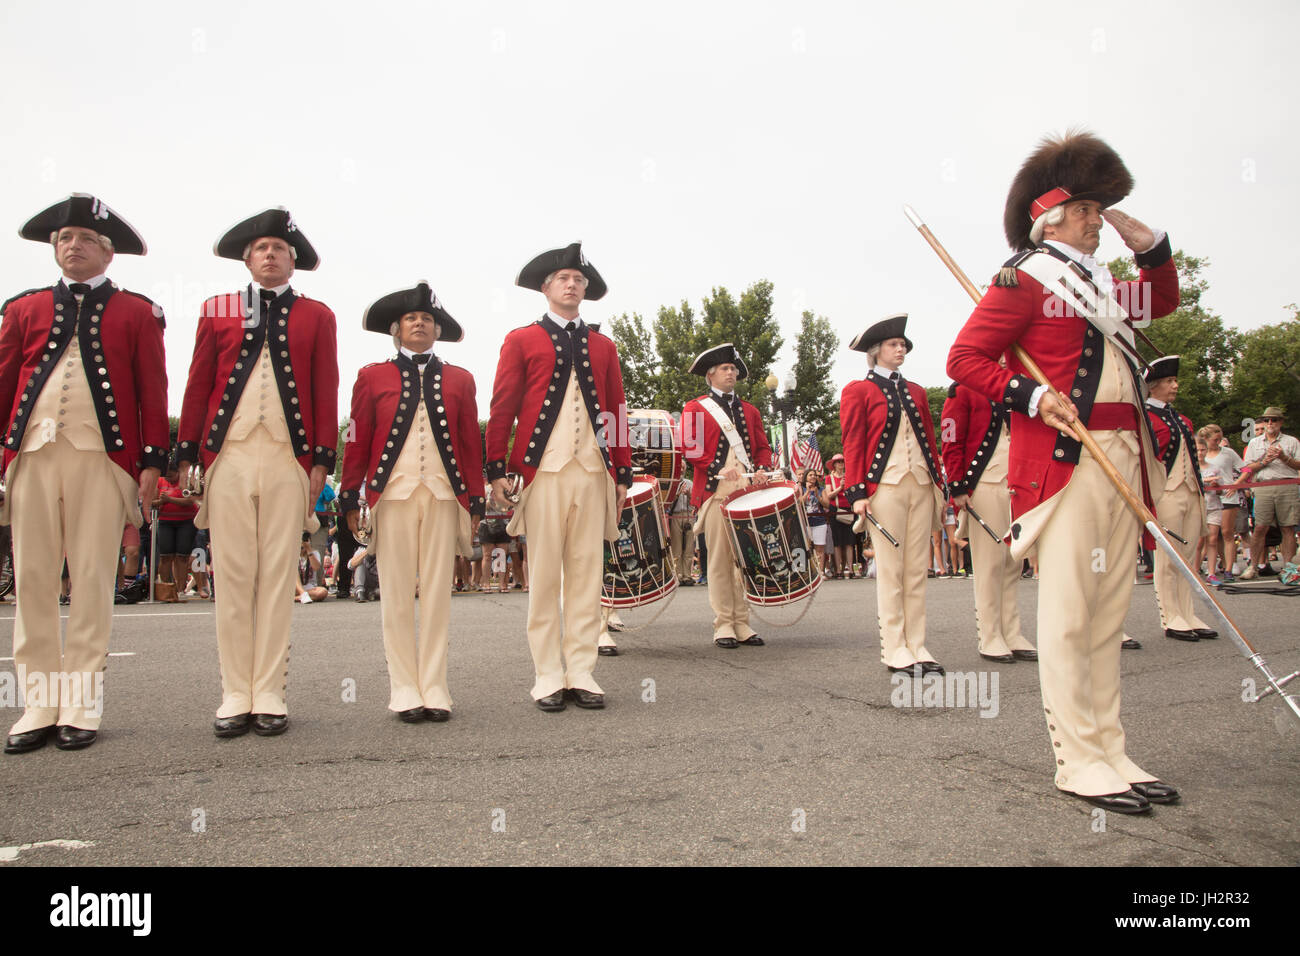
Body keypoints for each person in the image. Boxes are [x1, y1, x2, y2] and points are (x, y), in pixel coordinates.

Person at [947, 130, 1181, 814]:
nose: (1096, 218)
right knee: (1072, 615)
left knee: (1110, 614)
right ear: (1050, 217)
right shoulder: (1023, 278)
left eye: (1097, 207)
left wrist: (1152, 247)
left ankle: (1110, 747)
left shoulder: (1100, 282)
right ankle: (1076, 758)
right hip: (1069, 459)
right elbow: (965, 358)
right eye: (1084, 208)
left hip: (1123, 457)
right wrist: (1032, 396)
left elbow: (1160, 302)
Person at [1, 194, 168, 754]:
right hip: (32, 453)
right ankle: (38, 703)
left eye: (87, 240)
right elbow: (3, 386)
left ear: (108, 253)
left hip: (102, 458)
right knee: (33, 579)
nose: (74, 246)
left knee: (93, 578)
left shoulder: (138, 312)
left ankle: (81, 702)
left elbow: (152, 390)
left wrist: (151, 461)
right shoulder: (22, 308)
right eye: (65, 239)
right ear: (55, 249)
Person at [178, 207, 338, 738]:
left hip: (287, 456)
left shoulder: (318, 316)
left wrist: (321, 458)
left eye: (280, 249)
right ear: (247, 259)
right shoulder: (218, 308)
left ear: (294, 261)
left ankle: (268, 692)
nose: (270, 255)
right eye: (261, 249)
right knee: (234, 575)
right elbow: (199, 382)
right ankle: (233, 692)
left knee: (276, 576)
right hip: (229, 454)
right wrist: (188, 453)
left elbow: (324, 388)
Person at [486, 242, 632, 712]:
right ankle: (548, 675)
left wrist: (622, 472)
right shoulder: (520, 339)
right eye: (563, 279)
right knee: (546, 577)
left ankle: (582, 672)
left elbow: (615, 410)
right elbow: (502, 407)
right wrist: (497, 470)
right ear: (546, 288)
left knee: (589, 576)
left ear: (585, 290)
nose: (572, 285)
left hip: (593, 473)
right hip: (541, 473)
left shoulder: (603, 346)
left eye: (579, 280)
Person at [340, 282, 483, 722]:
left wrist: (474, 499)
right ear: (396, 330)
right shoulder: (370, 376)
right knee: (396, 595)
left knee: (438, 594)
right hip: (394, 495)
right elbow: (357, 437)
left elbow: (469, 445)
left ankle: (436, 686)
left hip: (443, 495)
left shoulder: (461, 378)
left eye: (426, 319)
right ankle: (404, 687)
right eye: (410, 319)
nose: (419, 323)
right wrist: (349, 494)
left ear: (437, 329)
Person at [841, 314, 948, 676]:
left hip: (920, 483)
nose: (900, 349)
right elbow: (854, 442)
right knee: (890, 569)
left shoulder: (916, 391)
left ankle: (917, 644)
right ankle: (894, 647)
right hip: (884, 487)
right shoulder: (858, 390)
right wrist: (857, 492)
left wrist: (939, 484)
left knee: (917, 568)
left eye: (902, 345)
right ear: (876, 351)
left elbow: (929, 440)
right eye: (893, 345)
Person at [681, 343, 774, 649]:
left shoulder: (750, 410)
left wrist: (762, 467)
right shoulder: (695, 408)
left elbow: (762, 447)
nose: (731, 373)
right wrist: (716, 467)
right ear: (711, 375)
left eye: (733, 369)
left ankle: (742, 622)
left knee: (745, 561)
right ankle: (723, 624)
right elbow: (690, 448)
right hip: (717, 494)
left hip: (747, 494)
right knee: (720, 562)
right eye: (725, 368)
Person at [941, 379, 1038, 663]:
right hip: (985, 481)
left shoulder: (1017, 385)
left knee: (1013, 560)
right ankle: (990, 634)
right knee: (989, 562)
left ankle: (1012, 631)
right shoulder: (963, 389)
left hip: (1017, 481)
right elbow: (951, 439)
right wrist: (957, 486)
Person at [1144, 356, 1215, 639]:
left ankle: (1187, 612)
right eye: (1169, 382)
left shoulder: (1182, 419)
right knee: (1168, 558)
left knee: (1187, 557)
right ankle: (1170, 616)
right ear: (1153, 386)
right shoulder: (1146, 418)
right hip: (1166, 493)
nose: (1175, 386)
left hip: (1190, 491)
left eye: (1174, 381)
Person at [1239, 406, 1300, 582]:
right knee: (1260, 527)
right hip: (1264, 486)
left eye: (1274, 419)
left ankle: (1288, 568)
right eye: (1267, 420)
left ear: (1281, 422)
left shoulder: (1291, 442)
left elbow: (1299, 465)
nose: (1270, 423)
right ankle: (1254, 566)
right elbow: (1246, 468)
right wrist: (1265, 461)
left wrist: (1283, 457)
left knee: (1288, 527)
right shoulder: (1255, 443)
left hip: (1287, 485)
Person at [1199, 424, 1244, 580]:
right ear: (1205, 440)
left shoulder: (1228, 453)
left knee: (1227, 532)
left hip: (1228, 496)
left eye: (1219, 439)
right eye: (1214, 440)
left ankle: (1230, 568)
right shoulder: (1201, 456)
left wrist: (1236, 485)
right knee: (1212, 536)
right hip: (1210, 500)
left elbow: (1246, 469)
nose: (1217, 442)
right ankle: (1222, 563)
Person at [824, 454, 853, 577]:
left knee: (849, 541)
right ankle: (838, 570)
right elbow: (829, 495)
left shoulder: (849, 476)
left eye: (842, 461)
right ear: (834, 465)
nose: (841, 464)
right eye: (838, 462)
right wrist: (840, 487)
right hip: (835, 509)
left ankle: (850, 569)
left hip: (849, 509)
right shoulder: (829, 478)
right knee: (837, 541)